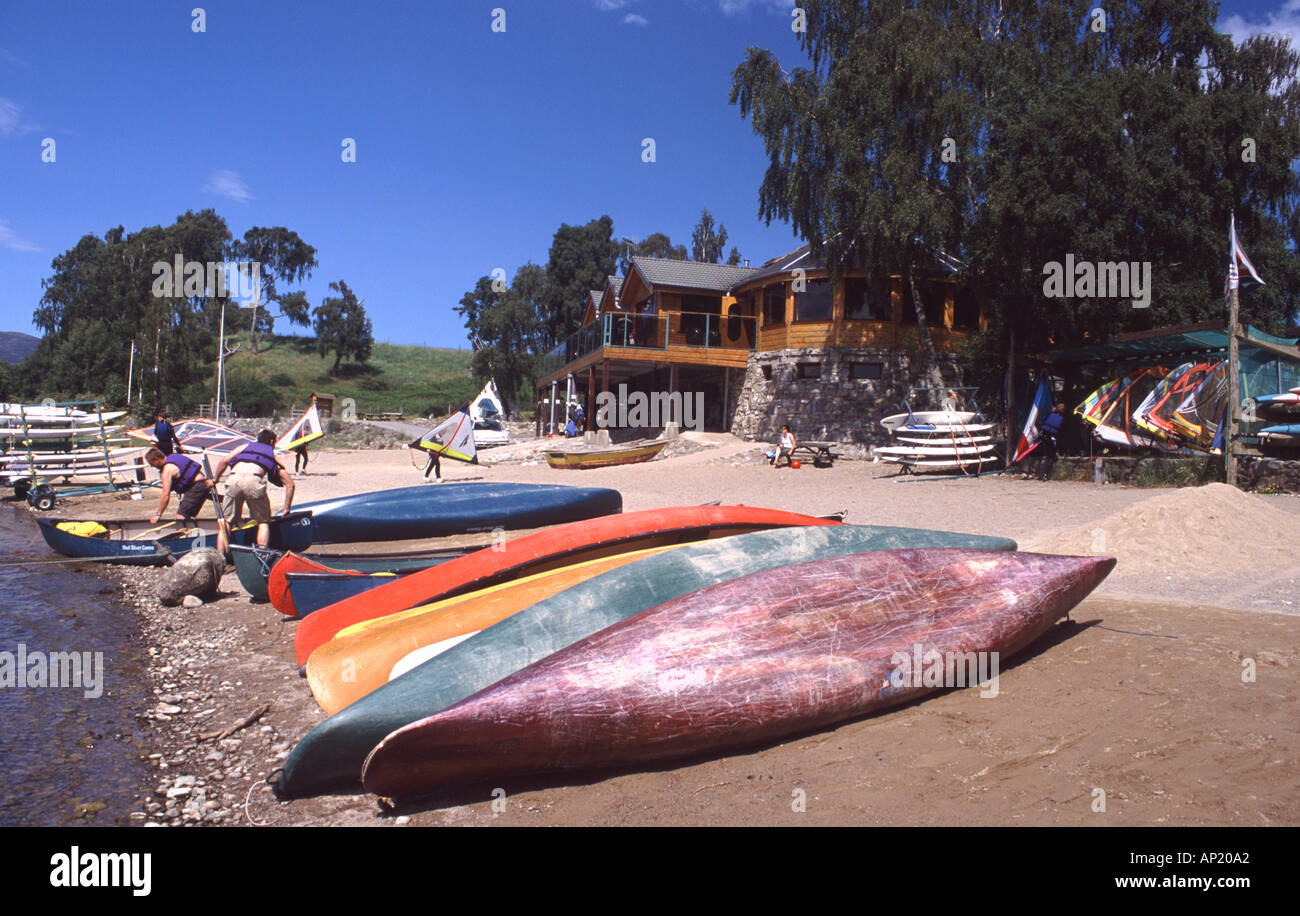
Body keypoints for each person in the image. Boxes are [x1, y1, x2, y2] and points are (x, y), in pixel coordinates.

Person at [211, 429, 296, 548]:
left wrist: (215, 479)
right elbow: (290, 484)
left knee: (227, 522)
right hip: (254, 480)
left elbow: (224, 461)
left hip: (233, 479)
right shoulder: (271, 454)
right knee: (263, 522)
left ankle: (221, 556)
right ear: (271, 441)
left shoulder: (244, 447)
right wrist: (286, 508)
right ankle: (262, 552)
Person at [145, 447, 211, 524]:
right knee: (186, 512)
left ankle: (188, 533)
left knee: (180, 516)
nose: (152, 466)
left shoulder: (166, 471)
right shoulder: (174, 456)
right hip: (204, 483)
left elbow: (165, 495)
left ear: (157, 459)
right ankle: (191, 526)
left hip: (197, 487)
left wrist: (158, 514)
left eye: (151, 463)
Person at [1035, 403, 1066, 481]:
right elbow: (1060, 431)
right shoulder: (1061, 419)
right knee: (1051, 457)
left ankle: (1040, 474)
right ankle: (1045, 474)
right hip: (1051, 439)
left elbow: (1043, 422)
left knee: (1046, 456)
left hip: (1043, 438)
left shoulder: (1050, 415)